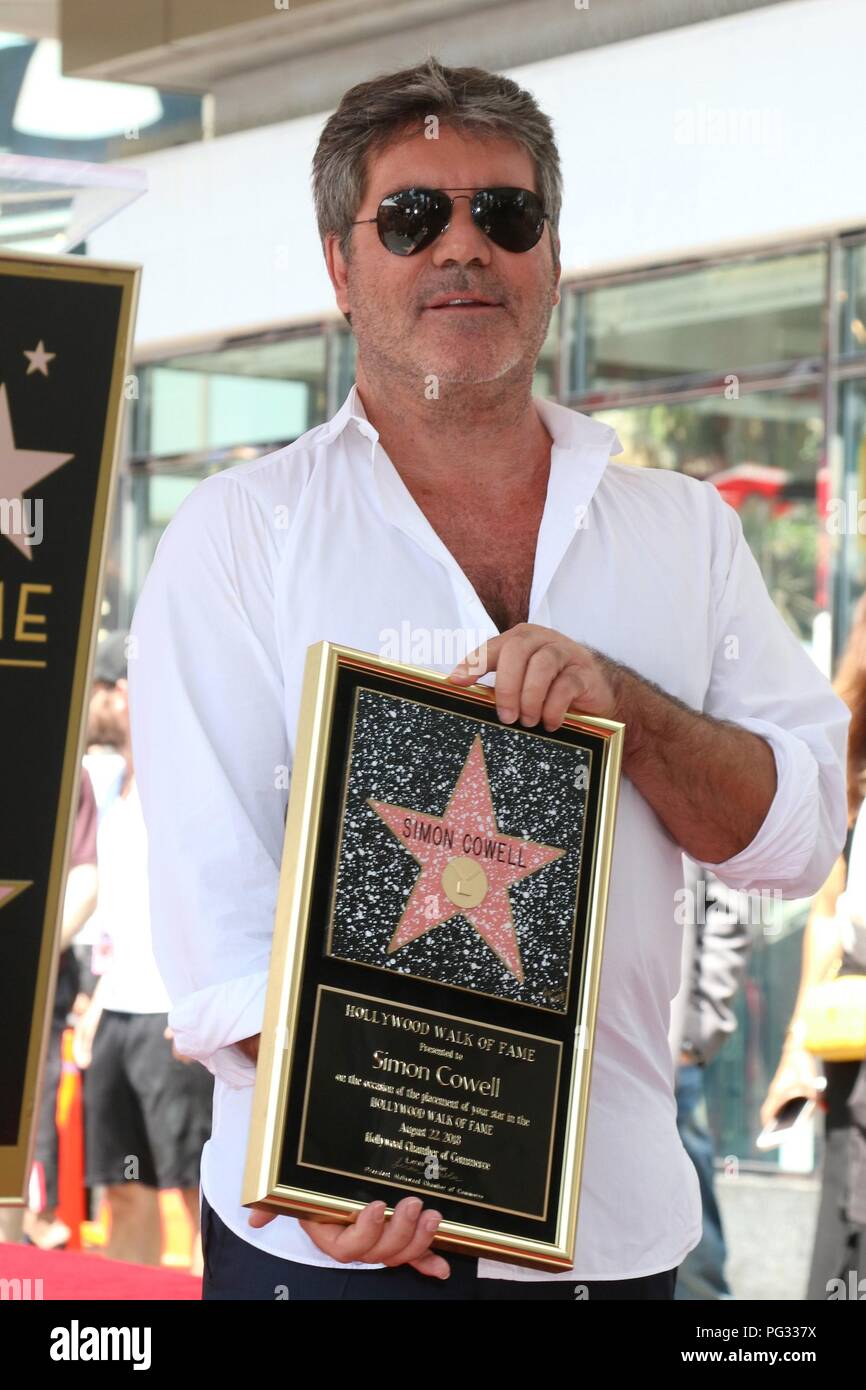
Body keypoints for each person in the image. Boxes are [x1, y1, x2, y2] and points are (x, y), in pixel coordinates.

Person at [127, 57, 850, 1300]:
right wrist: (348, 1150)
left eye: (503, 214)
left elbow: (792, 833)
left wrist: (623, 704)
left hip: (613, 1237)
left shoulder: (683, 532)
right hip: (335, 1239)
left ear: (551, 259)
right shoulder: (237, 537)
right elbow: (215, 928)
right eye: (411, 217)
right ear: (339, 269)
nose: (462, 245)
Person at [76, 630, 213, 1270]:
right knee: (122, 1192)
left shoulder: (182, 777)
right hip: (118, 1013)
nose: (92, 703)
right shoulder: (114, 783)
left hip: (169, 1018)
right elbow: (123, 911)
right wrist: (95, 1003)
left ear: (126, 693)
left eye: (101, 690)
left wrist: (194, 1006)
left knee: (189, 1197)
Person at [762, 593, 866, 1298]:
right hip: (858, 1033)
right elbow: (829, 909)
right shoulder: (853, 757)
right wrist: (800, 1045)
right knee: (849, 1242)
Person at [670, 858, 752, 1299]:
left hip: (666, 1058)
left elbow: (730, 901)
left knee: (691, 1234)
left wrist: (693, 1038)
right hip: (562, 1053)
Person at [24, 765, 99, 1249]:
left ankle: (27, 1226)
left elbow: (86, 878)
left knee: (28, 1111)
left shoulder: (65, 764)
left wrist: (30, 948)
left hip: (33, 981)